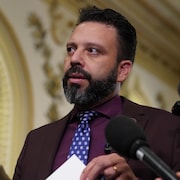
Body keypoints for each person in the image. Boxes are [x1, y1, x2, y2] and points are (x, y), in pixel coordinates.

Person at [13, 6, 180, 180]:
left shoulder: (169, 129)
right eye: (71, 49)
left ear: (122, 70)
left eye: (92, 50)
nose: (75, 58)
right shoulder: (35, 141)